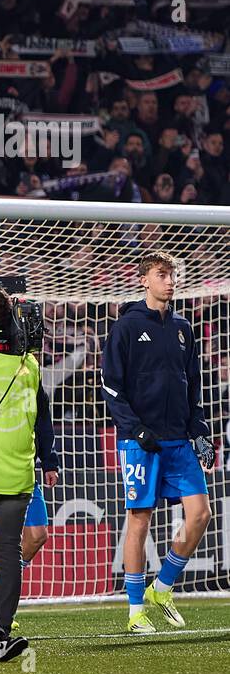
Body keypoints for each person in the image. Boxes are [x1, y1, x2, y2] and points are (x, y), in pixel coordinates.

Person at [101, 251, 213, 633]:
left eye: (173, 274)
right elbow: (112, 388)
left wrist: (198, 428)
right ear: (144, 280)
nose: (170, 281)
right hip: (140, 442)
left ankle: (162, 586)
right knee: (139, 519)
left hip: (179, 439)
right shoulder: (126, 327)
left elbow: (192, 384)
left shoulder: (183, 327)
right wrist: (136, 429)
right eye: (162, 274)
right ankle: (135, 611)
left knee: (200, 515)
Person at [0, 285, 61, 635]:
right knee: (8, 557)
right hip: (19, 476)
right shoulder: (29, 364)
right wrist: (49, 458)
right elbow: (42, 414)